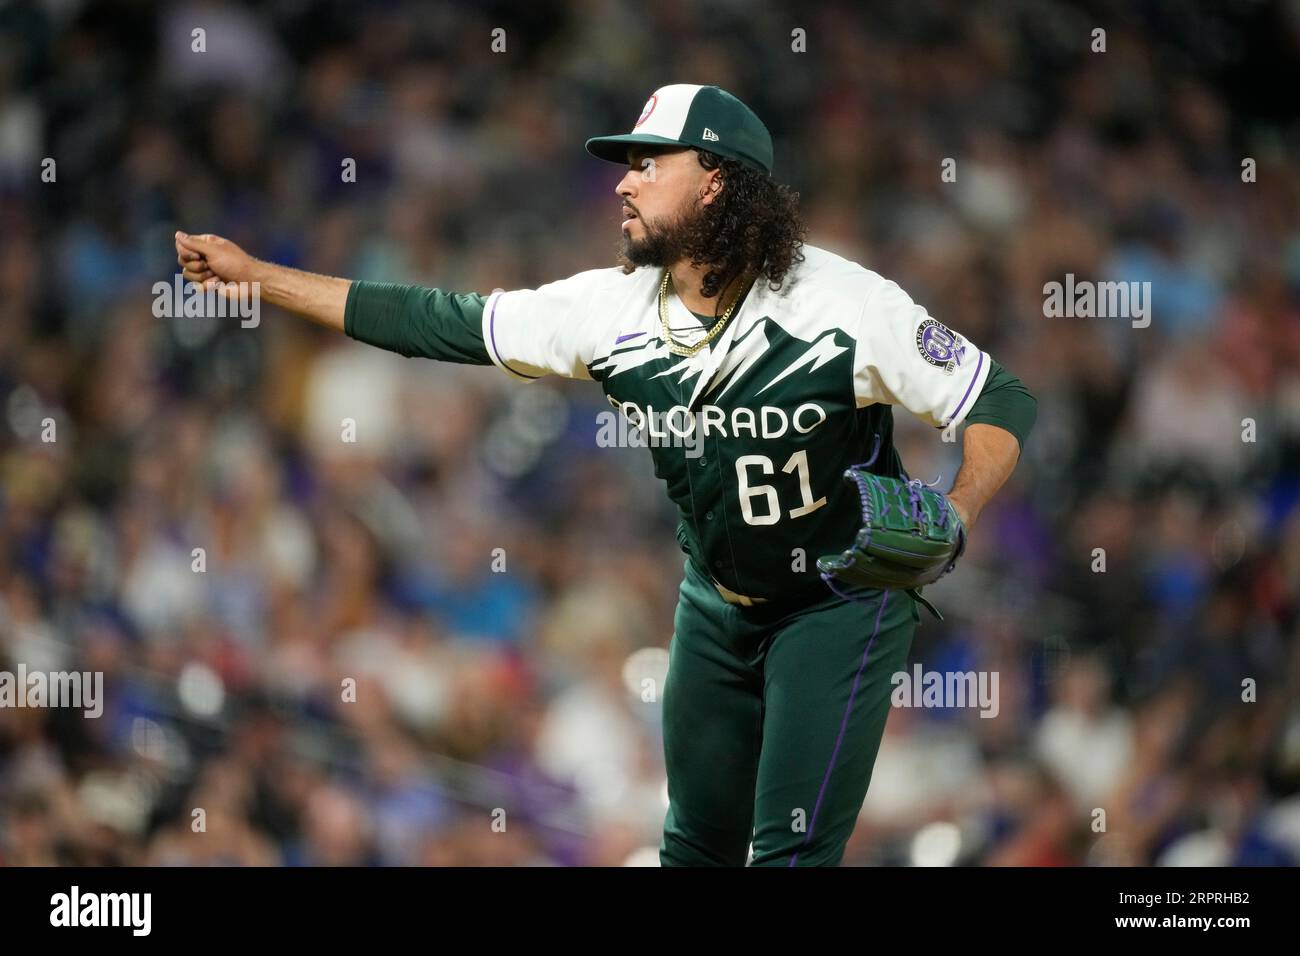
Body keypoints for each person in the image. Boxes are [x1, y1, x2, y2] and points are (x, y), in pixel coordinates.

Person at [174, 83, 1036, 866]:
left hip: (839, 604)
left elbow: (999, 398)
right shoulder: (611, 310)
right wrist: (260, 279)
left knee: (789, 856)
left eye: (648, 164)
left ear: (716, 182)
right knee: (692, 847)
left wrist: (958, 507)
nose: (623, 183)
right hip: (715, 603)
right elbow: (439, 322)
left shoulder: (843, 306)